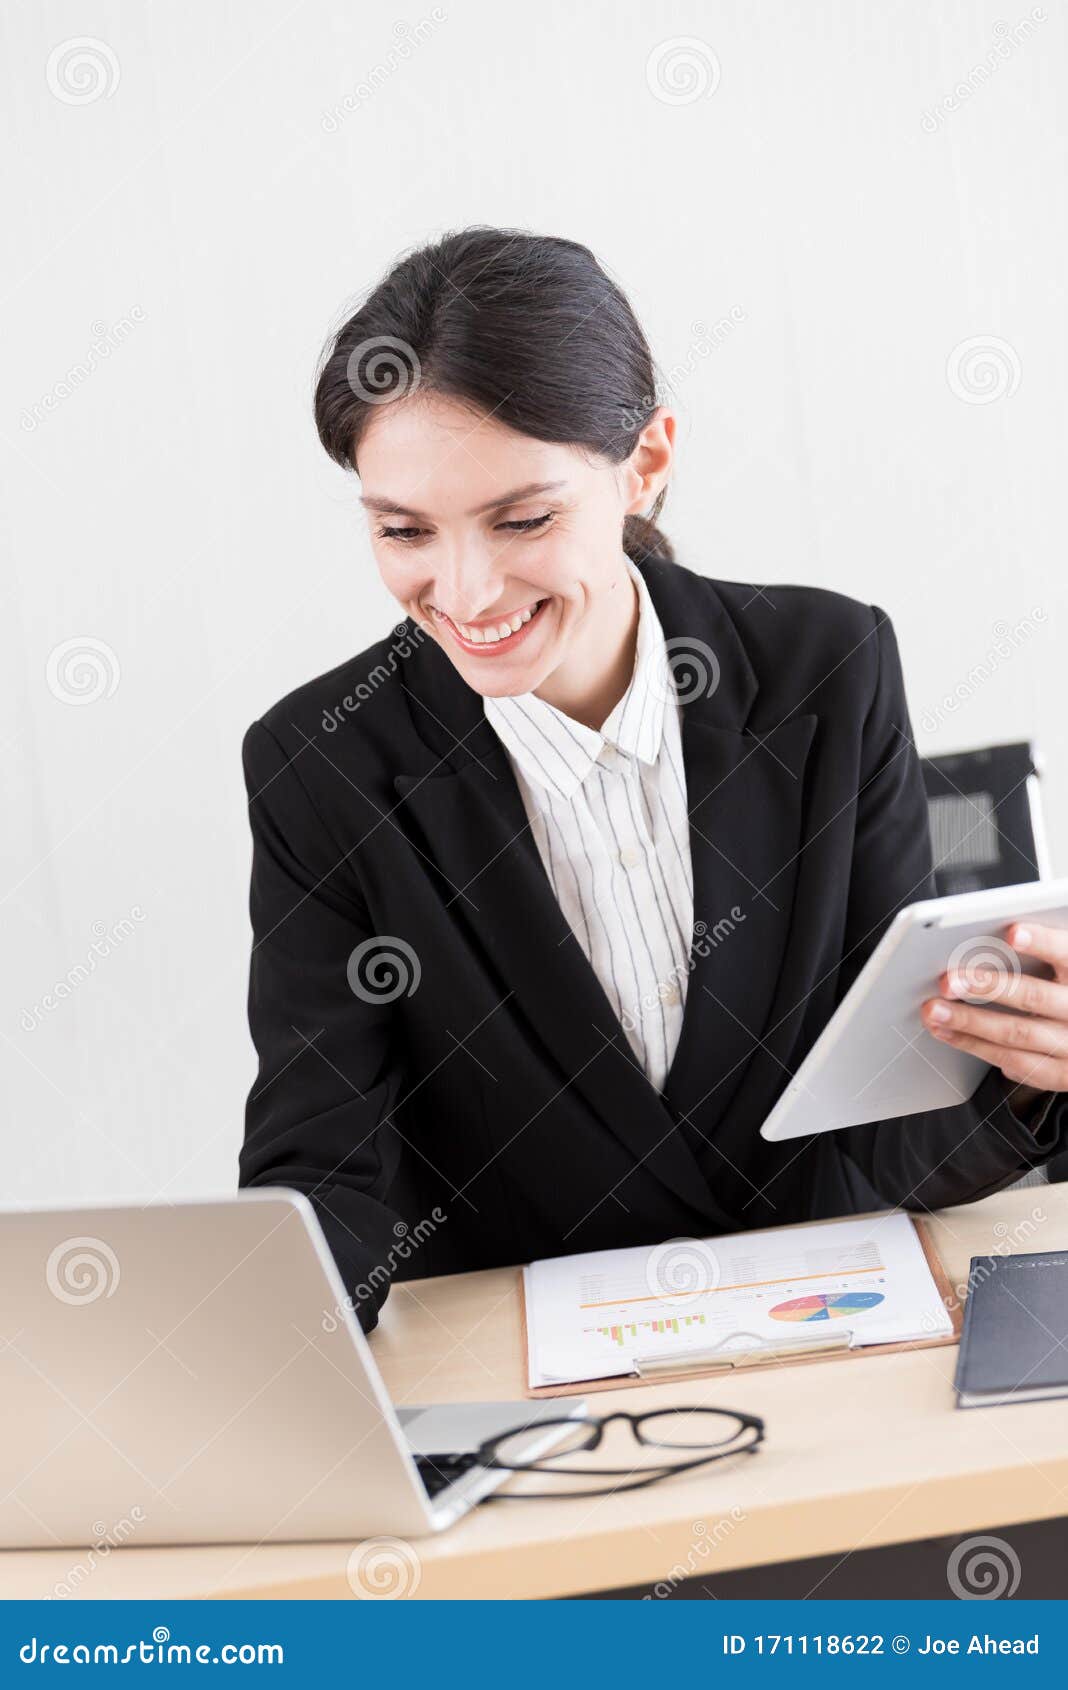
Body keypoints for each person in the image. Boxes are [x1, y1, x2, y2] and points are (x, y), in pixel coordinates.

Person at [238, 227, 1068, 1334]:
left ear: (646, 463)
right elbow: (323, 1169)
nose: (465, 592)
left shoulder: (831, 667)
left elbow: (885, 1126)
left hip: (830, 1328)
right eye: (404, 531)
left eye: (522, 519)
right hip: (531, 1389)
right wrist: (268, 1340)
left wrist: (1027, 1073)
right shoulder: (322, 763)